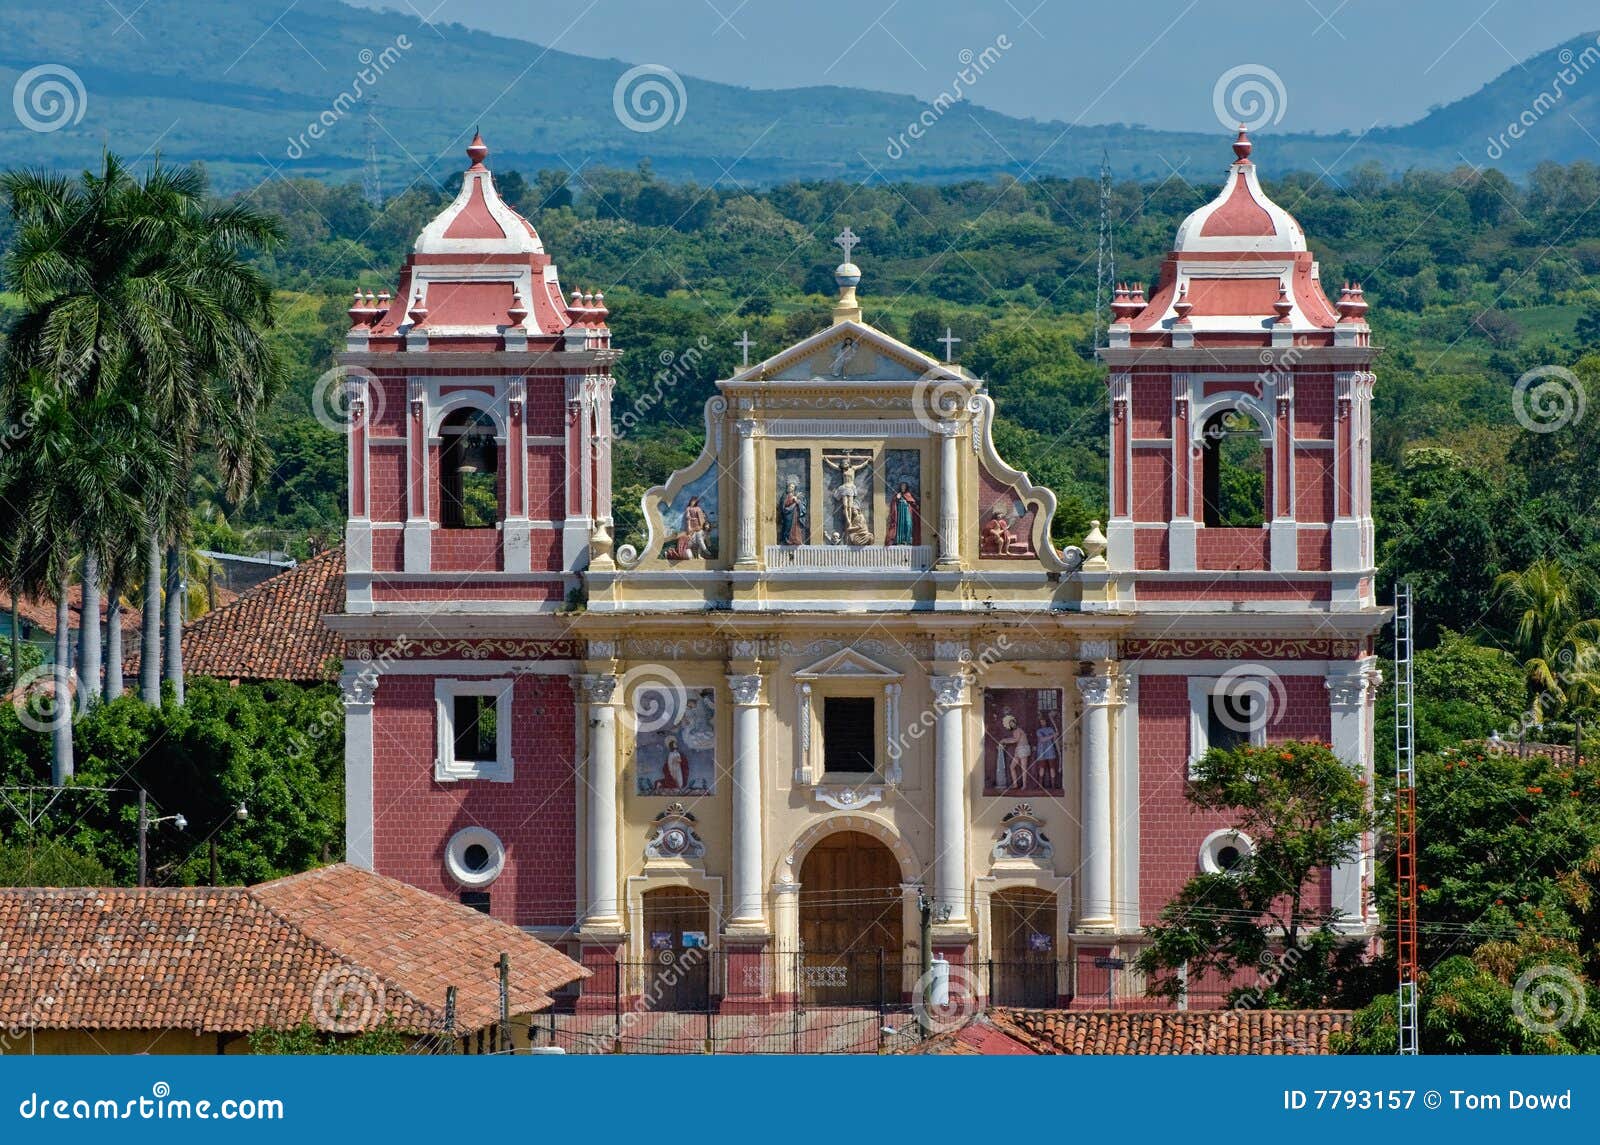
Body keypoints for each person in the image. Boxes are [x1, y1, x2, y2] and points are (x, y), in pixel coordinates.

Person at [778, 478, 808, 545]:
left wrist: (797, 501)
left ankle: (796, 540)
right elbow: (784, 505)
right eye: (789, 486)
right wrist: (792, 500)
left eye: (792, 487)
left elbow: (803, 505)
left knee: (796, 527)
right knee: (787, 526)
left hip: (795, 514)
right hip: (788, 515)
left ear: (794, 488)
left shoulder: (798, 496)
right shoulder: (785, 496)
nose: (790, 488)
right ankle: (787, 540)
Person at [888, 481, 919, 545]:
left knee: (908, 523)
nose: (903, 487)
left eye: (904, 486)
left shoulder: (909, 494)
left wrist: (915, 505)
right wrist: (897, 498)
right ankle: (900, 540)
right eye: (902, 486)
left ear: (906, 487)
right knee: (900, 524)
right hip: (900, 511)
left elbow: (913, 502)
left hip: (907, 511)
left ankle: (908, 540)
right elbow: (893, 502)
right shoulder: (898, 494)